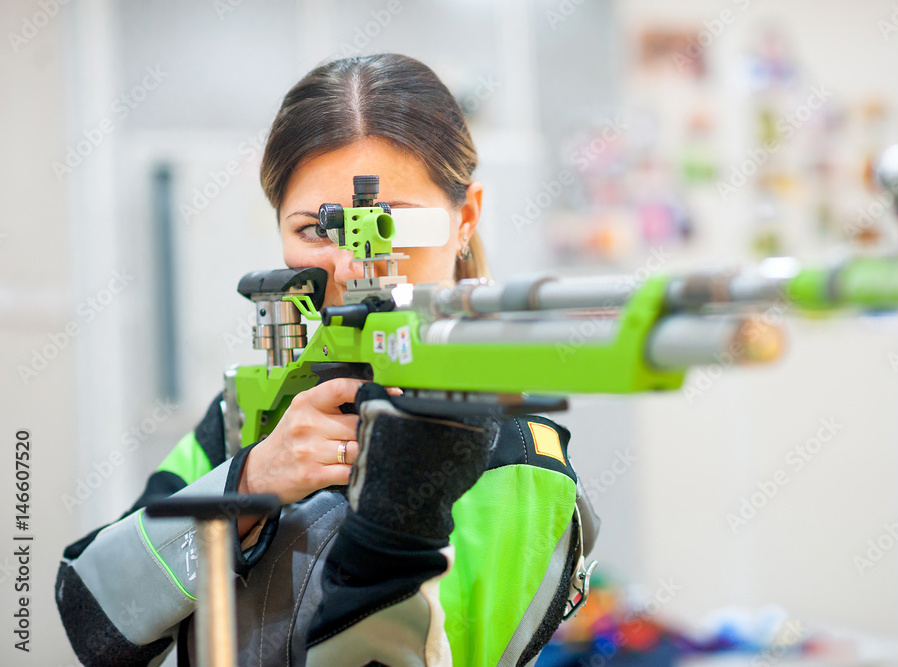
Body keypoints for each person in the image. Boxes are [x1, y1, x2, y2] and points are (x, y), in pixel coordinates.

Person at [55, 53, 599, 666]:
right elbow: (90, 614)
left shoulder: (518, 460)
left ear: (465, 218)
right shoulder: (252, 416)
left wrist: (398, 522)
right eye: (317, 229)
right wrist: (251, 482)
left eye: (385, 227)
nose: (350, 265)